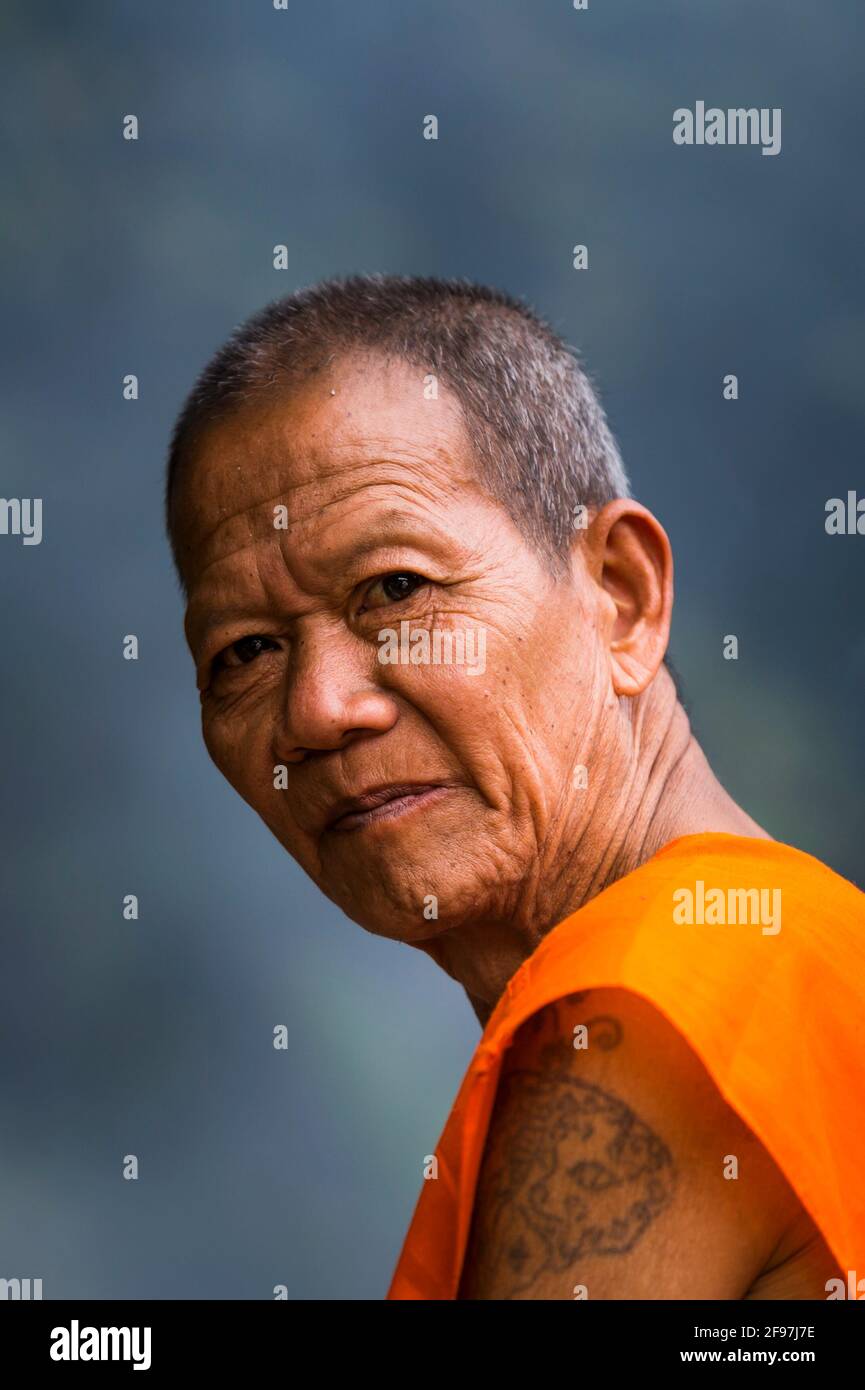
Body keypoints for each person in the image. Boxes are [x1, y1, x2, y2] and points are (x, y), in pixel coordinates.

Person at [165, 274, 865, 1300]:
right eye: (246, 651)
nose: (316, 710)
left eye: (396, 589)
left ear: (620, 596)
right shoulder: (786, 949)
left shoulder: (656, 1004)